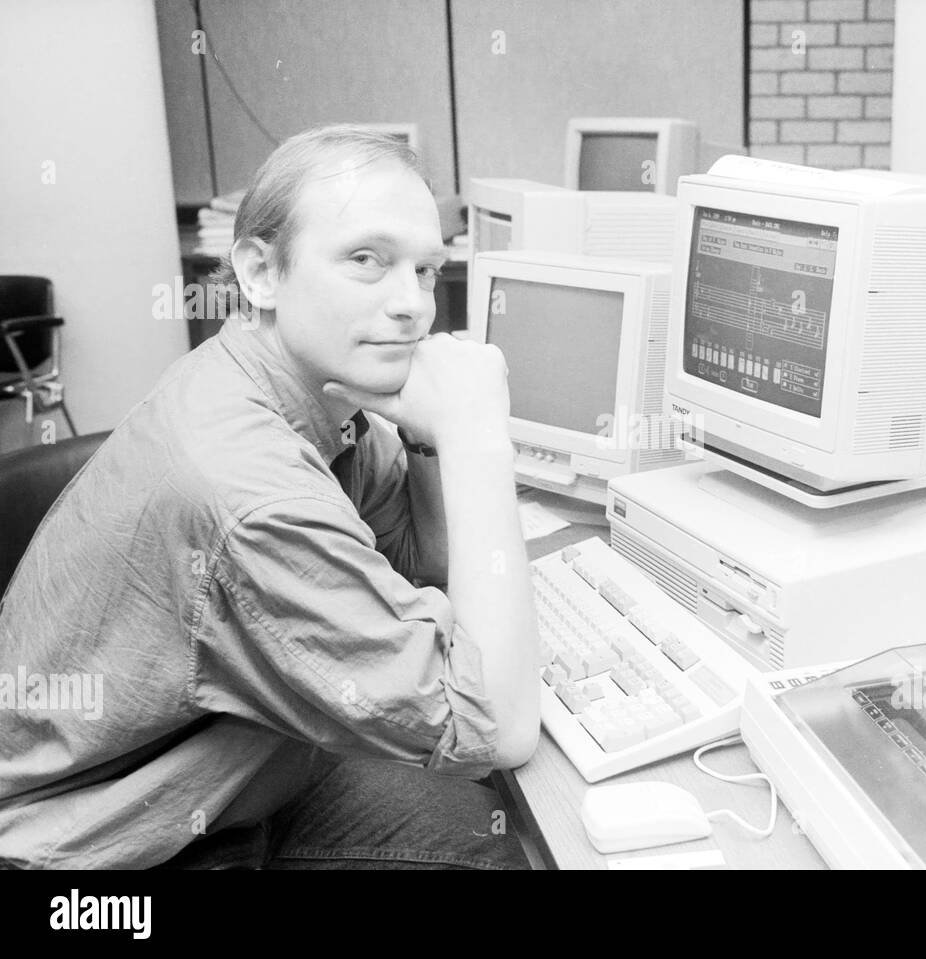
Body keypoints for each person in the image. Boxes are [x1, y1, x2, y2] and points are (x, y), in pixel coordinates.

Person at [0, 125, 540, 869]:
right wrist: (478, 436)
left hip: (232, 779)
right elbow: (497, 726)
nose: (414, 305)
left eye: (424, 269)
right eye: (366, 260)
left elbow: (423, 560)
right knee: (501, 841)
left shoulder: (309, 395)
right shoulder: (248, 488)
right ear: (259, 272)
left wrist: (426, 435)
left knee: (480, 823)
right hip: (98, 855)